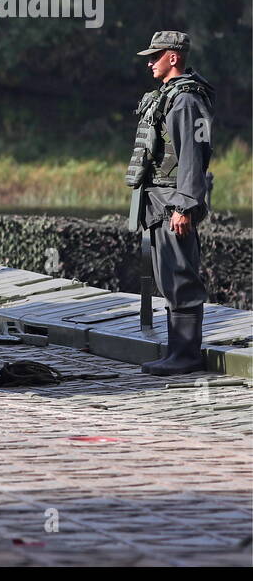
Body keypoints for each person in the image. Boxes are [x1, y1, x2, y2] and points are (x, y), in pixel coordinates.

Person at [125, 31, 215, 376]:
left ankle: (187, 356)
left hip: (174, 200)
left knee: (180, 275)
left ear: (173, 57)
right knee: (168, 277)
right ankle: (177, 352)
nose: (149, 62)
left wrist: (185, 205)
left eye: (155, 56)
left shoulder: (187, 101)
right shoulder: (170, 96)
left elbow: (193, 156)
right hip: (160, 198)